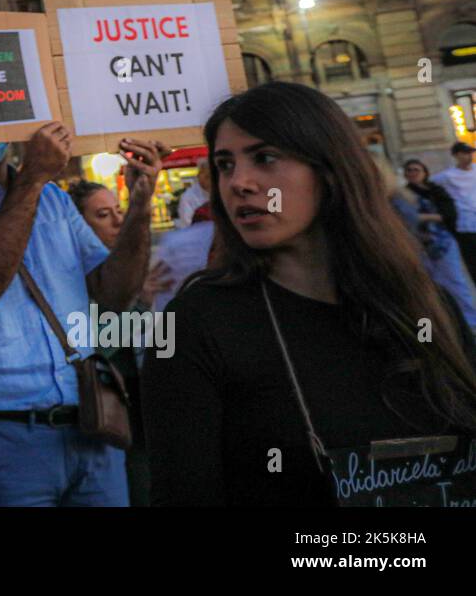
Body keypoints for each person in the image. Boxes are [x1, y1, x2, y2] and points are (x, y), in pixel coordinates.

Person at [142, 82, 476, 506]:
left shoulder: (424, 307)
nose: (238, 182)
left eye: (265, 158)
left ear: (330, 169)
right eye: (225, 164)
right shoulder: (196, 326)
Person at [0, 122, 162, 507]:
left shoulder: (56, 202)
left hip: (91, 424)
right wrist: (33, 177)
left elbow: (113, 296)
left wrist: (141, 204)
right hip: (2, 439)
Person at [68, 179, 173, 508]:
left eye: (119, 210)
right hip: (109, 413)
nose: (118, 221)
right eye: (102, 214)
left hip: (144, 407)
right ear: (78, 226)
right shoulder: (77, 275)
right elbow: (95, 344)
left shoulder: (131, 264)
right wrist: (142, 303)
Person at [400, 159, 476, 328]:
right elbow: (404, 218)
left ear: (424, 172)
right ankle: (432, 331)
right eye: (409, 170)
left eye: (416, 170)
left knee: (456, 284)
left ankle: (471, 323)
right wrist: (431, 217)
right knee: (427, 289)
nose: (412, 173)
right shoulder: (403, 194)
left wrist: (423, 217)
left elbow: (449, 214)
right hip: (418, 246)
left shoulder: (436, 191)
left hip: (444, 244)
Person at [434, 141, 476, 281]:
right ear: (456, 155)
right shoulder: (447, 176)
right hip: (465, 225)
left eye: (470, 152)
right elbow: (429, 183)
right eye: (465, 153)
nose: (469, 156)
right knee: (472, 261)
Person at [174, 158, 211, 228]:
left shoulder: (221, 191)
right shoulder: (188, 197)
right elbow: (187, 222)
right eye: (207, 176)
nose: (210, 180)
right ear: (199, 175)